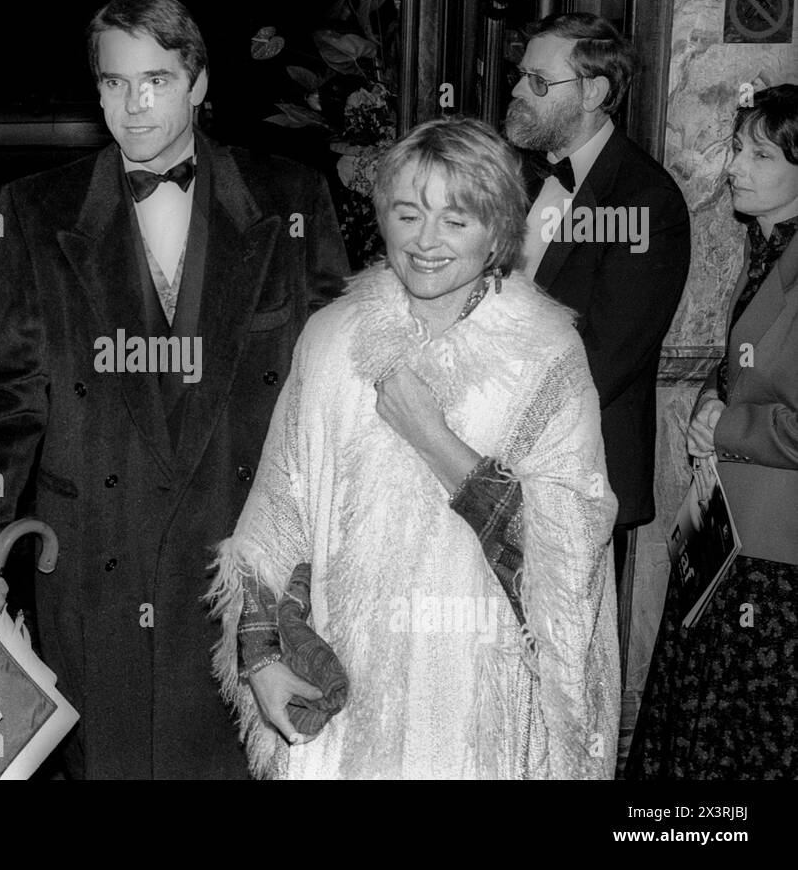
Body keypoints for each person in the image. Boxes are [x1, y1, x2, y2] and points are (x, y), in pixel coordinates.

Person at [0, 0, 348, 779]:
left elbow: (330, 390)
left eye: (157, 81)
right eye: (113, 82)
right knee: (110, 756)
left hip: (236, 545)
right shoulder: (37, 209)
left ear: (198, 83)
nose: (132, 106)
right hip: (100, 537)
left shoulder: (289, 198)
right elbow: (9, 395)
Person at [210, 117, 620, 779]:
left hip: (474, 708)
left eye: (457, 220)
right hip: (345, 700)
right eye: (407, 214)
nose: (426, 241)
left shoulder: (544, 354)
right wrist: (261, 658)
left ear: (499, 234)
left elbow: (568, 550)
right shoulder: (330, 336)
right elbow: (275, 513)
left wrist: (434, 440)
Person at [627, 83, 798, 779]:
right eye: (736, 148)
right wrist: (706, 400)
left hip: (776, 553)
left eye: (759, 155)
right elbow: (746, 369)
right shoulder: (765, 251)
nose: (735, 168)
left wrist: (727, 424)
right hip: (726, 533)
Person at [504, 12, 690, 608]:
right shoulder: (518, 176)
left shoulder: (644, 200)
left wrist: (500, 431)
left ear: (595, 93)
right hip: (490, 466)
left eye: (538, 81)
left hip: (575, 473)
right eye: (520, 76)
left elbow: (607, 357)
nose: (515, 91)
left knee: (566, 676)